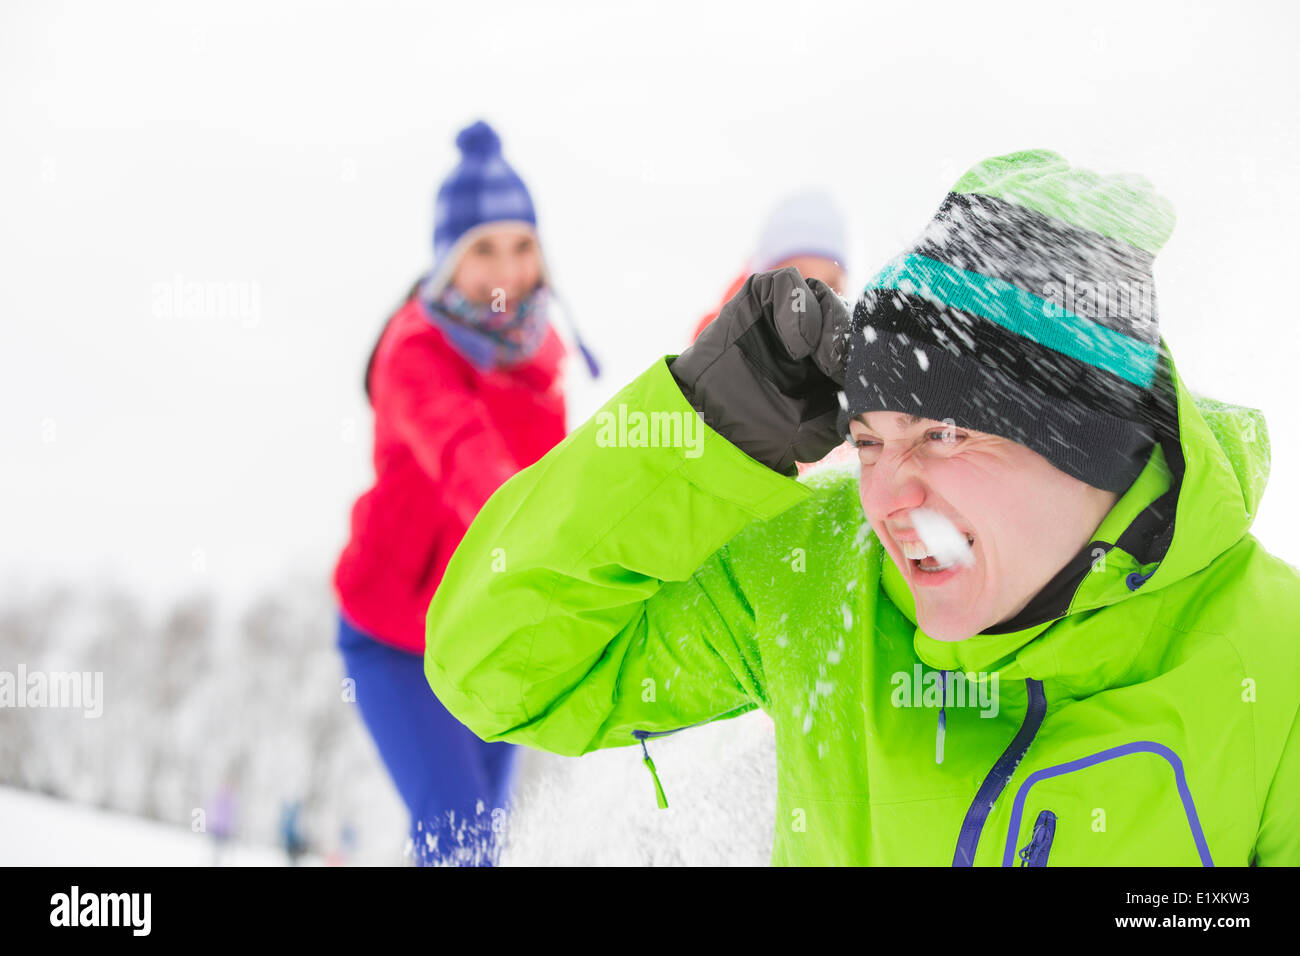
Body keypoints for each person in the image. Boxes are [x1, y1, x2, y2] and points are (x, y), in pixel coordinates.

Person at [424, 150, 1299, 866]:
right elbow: (497, 672)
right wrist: (695, 428)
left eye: (945, 434)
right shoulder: (820, 579)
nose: (883, 496)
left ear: (1089, 447)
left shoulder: (1272, 662)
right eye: (869, 439)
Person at [333, 119, 572, 866]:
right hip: (395, 641)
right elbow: (473, 464)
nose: (506, 272)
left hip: (482, 644)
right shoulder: (414, 353)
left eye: (522, 247)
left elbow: (560, 489)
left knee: (475, 846)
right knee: (460, 838)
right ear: (448, 260)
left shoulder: (543, 359)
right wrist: (547, 537)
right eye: (483, 251)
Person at [689, 188, 848, 343]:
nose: (818, 299)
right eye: (799, 281)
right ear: (760, 283)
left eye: (832, 286)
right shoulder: (709, 356)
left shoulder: (852, 356)